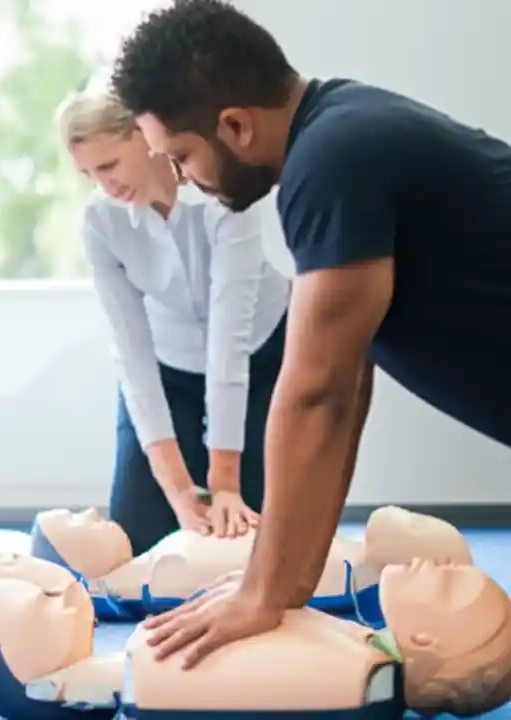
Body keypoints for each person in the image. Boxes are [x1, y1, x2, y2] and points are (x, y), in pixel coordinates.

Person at [108, 0, 511, 668]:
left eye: (179, 157)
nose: (184, 181)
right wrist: (287, 579)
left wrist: (264, 589)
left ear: (233, 125)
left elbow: (317, 393)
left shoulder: (333, 160)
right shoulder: (343, 133)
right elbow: (346, 385)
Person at [55, 90, 290, 555]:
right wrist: (182, 492)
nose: (103, 185)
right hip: (169, 364)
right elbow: (132, 355)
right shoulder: (100, 222)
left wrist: (223, 484)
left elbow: (230, 340)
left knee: (259, 537)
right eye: (88, 174)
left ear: (145, 136)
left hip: (262, 352)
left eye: (109, 166)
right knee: (138, 539)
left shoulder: (223, 194)